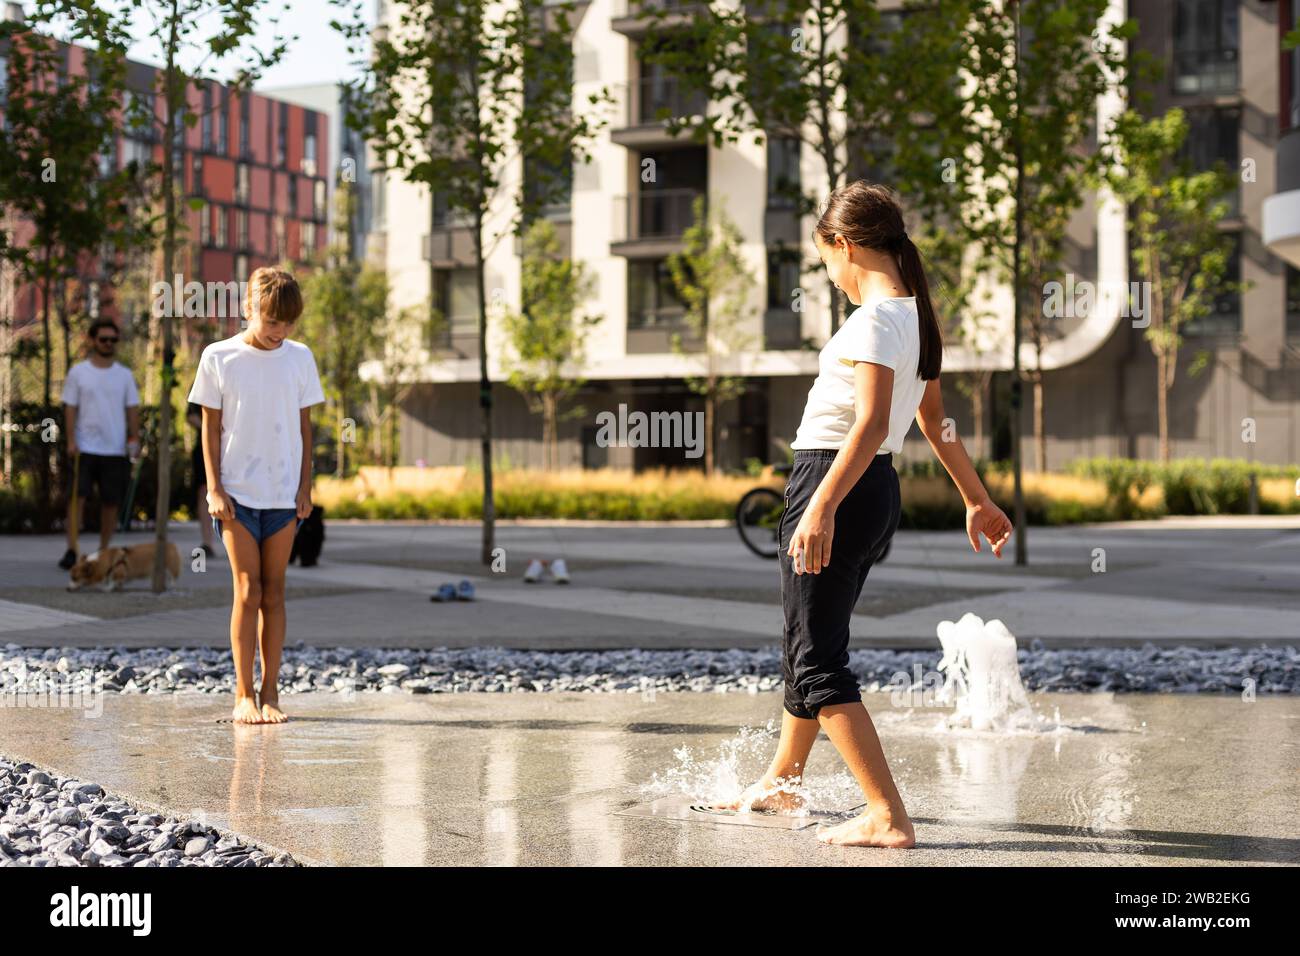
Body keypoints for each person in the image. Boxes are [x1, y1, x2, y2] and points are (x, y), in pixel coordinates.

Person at [717, 182, 1013, 848]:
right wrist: (976, 497)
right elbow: (935, 425)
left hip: (837, 480)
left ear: (843, 244)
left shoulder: (876, 320)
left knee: (819, 659)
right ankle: (783, 779)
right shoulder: (915, 317)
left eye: (825, 258)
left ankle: (886, 813)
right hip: (875, 486)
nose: (830, 274)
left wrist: (819, 506)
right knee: (808, 639)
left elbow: (872, 420)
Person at [188, 267, 324, 725]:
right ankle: (243, 693)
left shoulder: (300, 357)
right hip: (236, 498)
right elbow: (209, 428)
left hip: (284, 496)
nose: (279, 332)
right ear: (249, 309)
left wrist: (306, 487)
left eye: (288, 324)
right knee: (248, 590)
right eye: (271, 322)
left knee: (276, 592)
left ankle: (271, 692)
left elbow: (306, 429)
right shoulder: (218, 357)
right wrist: (214, 489)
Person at [58, 320, 141, 569]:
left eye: (113, 340)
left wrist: (133, 439)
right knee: (77, 498)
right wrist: (71, 440)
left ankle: (104, 550)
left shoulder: (124, 375)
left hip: (114, 449)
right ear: (92, 340)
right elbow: (70, 408)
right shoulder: (78, 373)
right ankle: (72, 549)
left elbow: (132, 410)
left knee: (110, 502)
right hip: (84, 447)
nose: (108, 344)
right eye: (103, 339)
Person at [186, 401, 219, 557]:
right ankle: (207, 542)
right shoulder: (204, 378)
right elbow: (190, 415)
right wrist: (210, 428)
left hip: (233, 446)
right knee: (204, 491)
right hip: (205, 447)